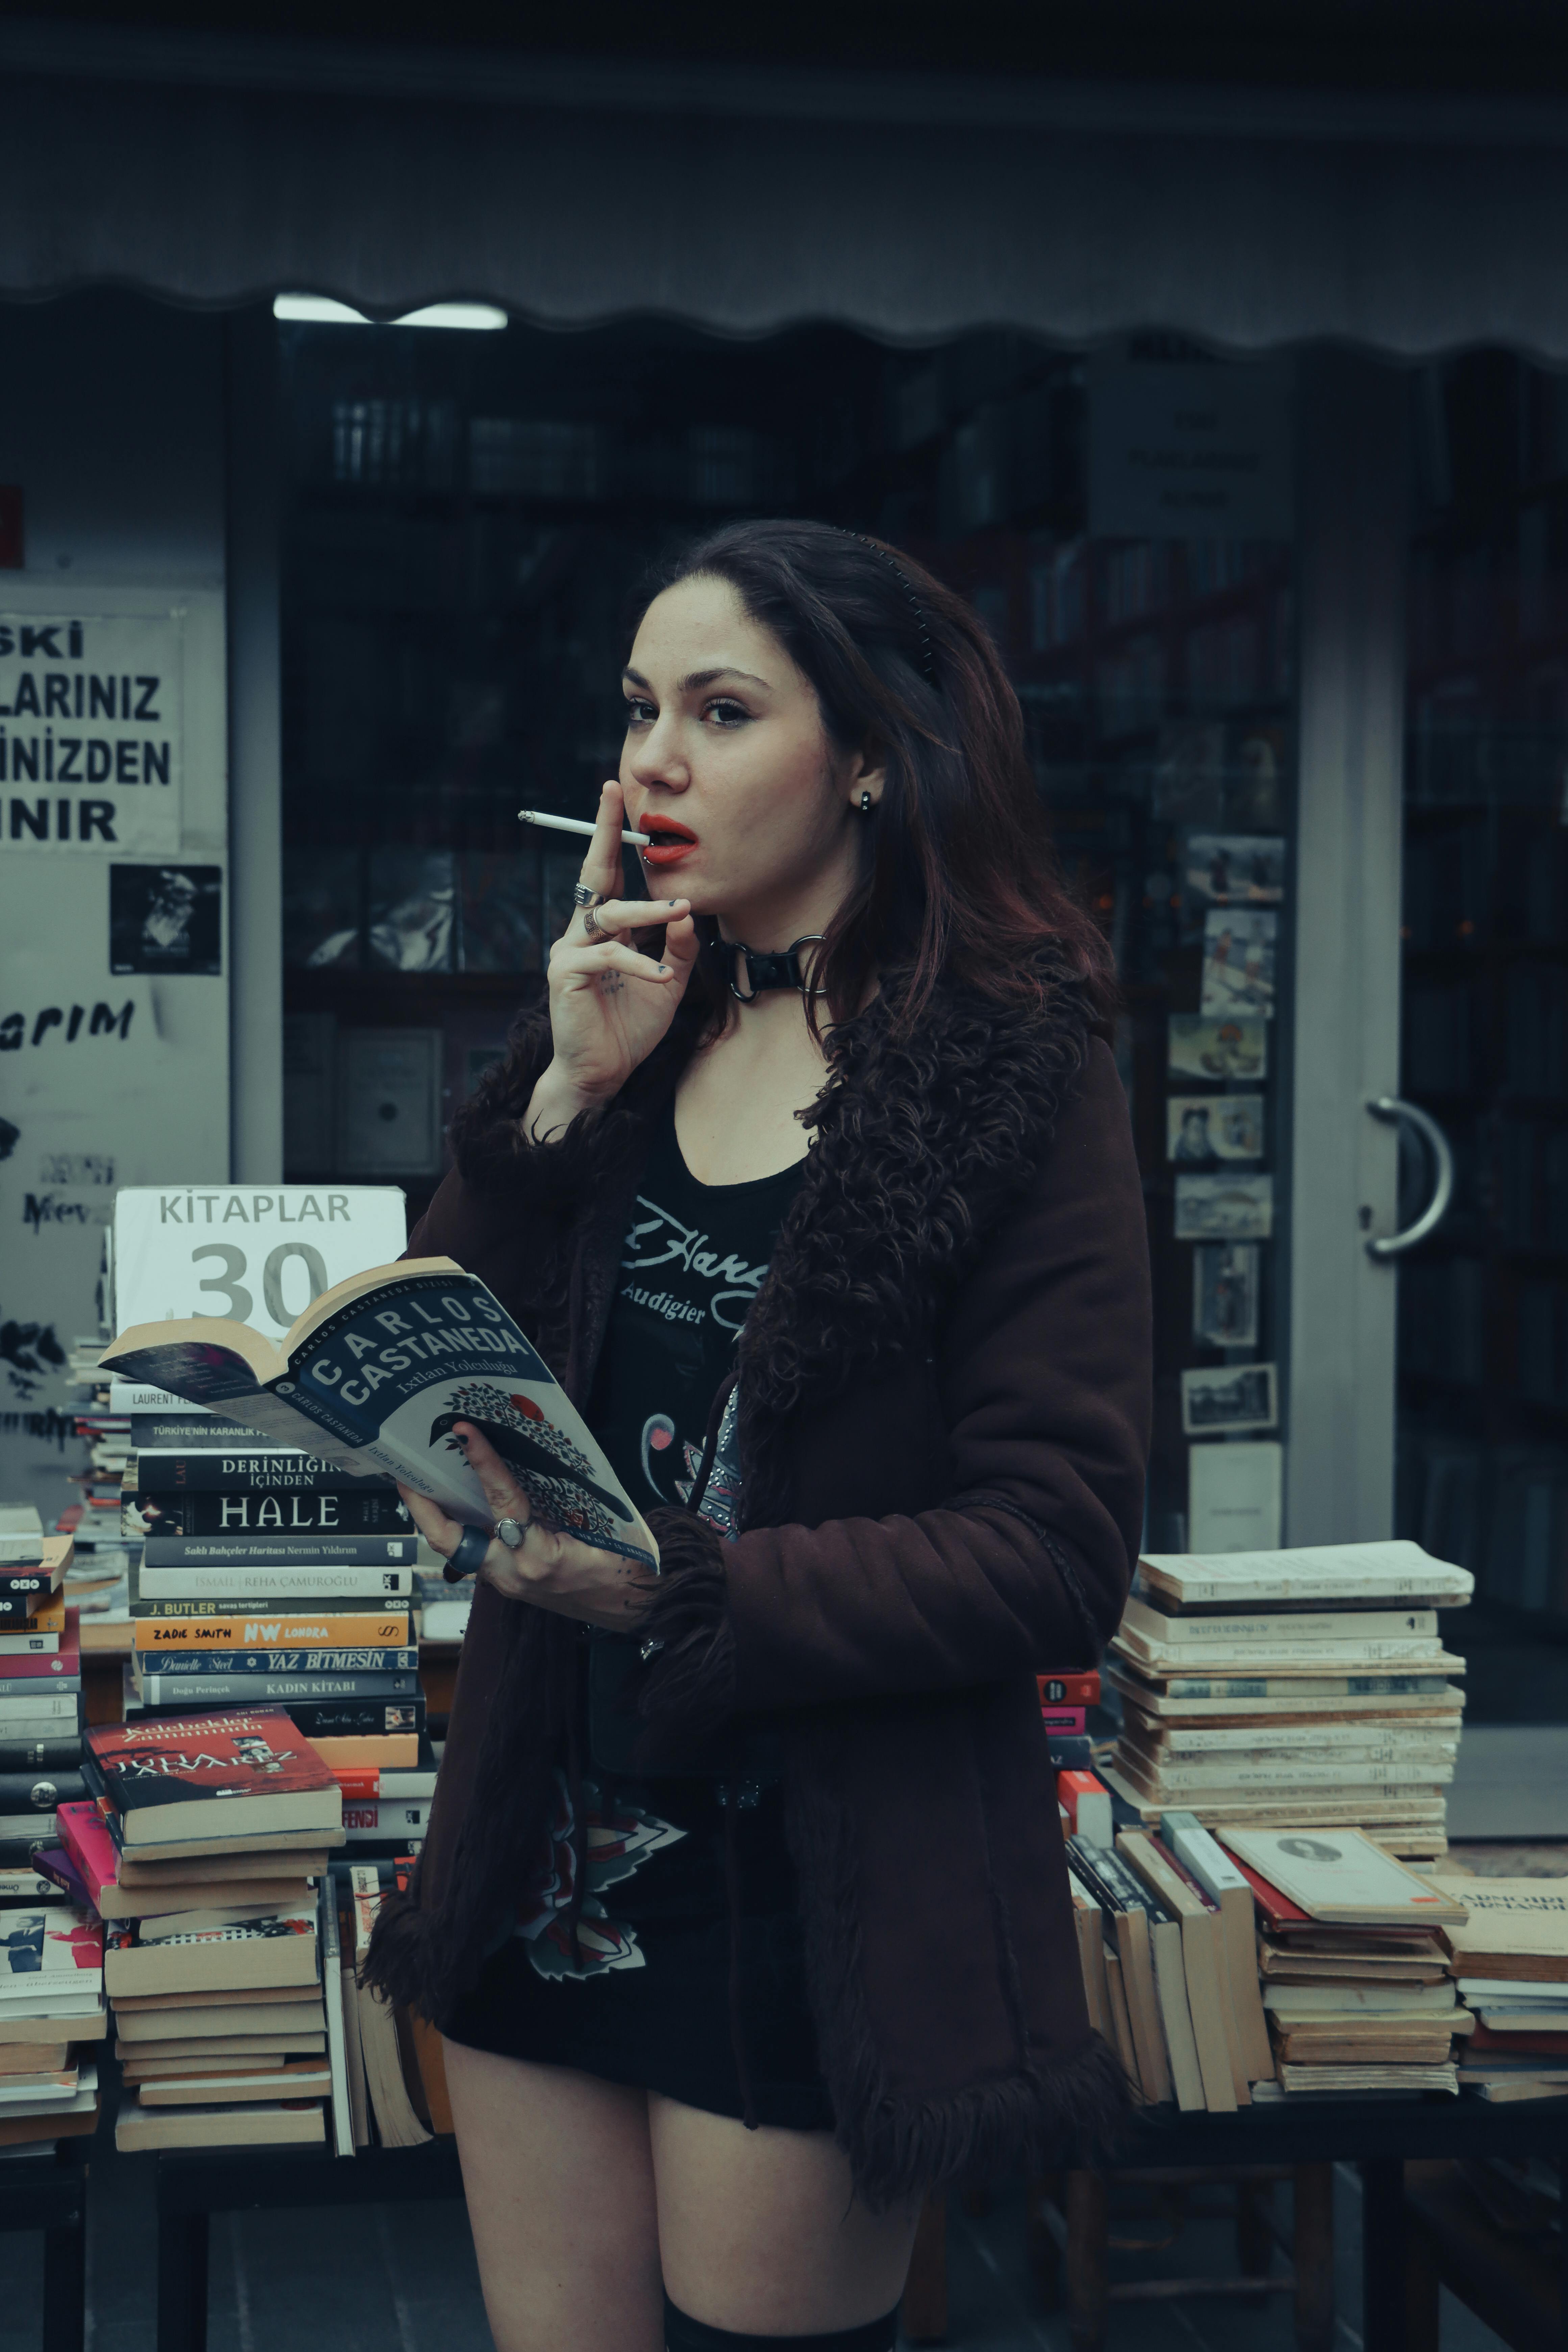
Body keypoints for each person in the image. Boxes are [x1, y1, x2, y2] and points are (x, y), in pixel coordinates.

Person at [366, 520, 1152, 2352]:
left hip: (816, 1890)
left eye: (721, 713)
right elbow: (447, 1359)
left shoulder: (1012, 1073)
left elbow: (1055, 1549)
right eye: (639, 710)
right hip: (546, 1846)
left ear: (868, 753)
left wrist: (684, 1591)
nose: (653, 763)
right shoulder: (633, 1014)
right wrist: (563, 1091)